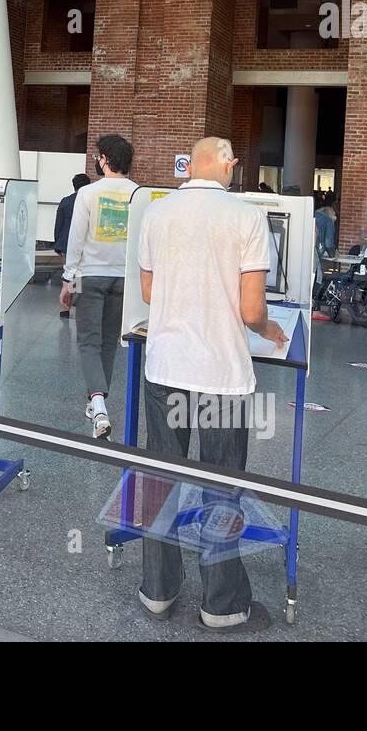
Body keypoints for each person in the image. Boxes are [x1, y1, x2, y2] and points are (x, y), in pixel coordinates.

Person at [136, 136, 287, 634]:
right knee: (221, 486)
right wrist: (271, 331)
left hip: (165, 368)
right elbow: (251, 311)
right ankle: (222, 605)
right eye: (233, 162)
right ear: (225, 163)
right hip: (221, 375)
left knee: (161, 479)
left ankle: (158, 592)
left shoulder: (157, 213)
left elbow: (150, 292)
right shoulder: (246, 217)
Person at [60, 136, 139, 439]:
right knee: (108, 343)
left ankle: (98, 404)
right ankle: (96, 402)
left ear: (105, 159)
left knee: (89, 343)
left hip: (90, 276)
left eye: (97, 156)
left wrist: (68, 279)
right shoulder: (138, 194)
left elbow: (76, 239)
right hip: (124, 279)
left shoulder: (88, 193)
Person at [53, 173, 91, 318]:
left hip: (65, 244)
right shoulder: (89, 202)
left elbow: (58, 224)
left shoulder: (65, 201)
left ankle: (65, 309)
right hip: (83, 245)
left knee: (67, 274)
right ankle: (77, 303)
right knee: (78, 276)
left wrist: (58, 243)